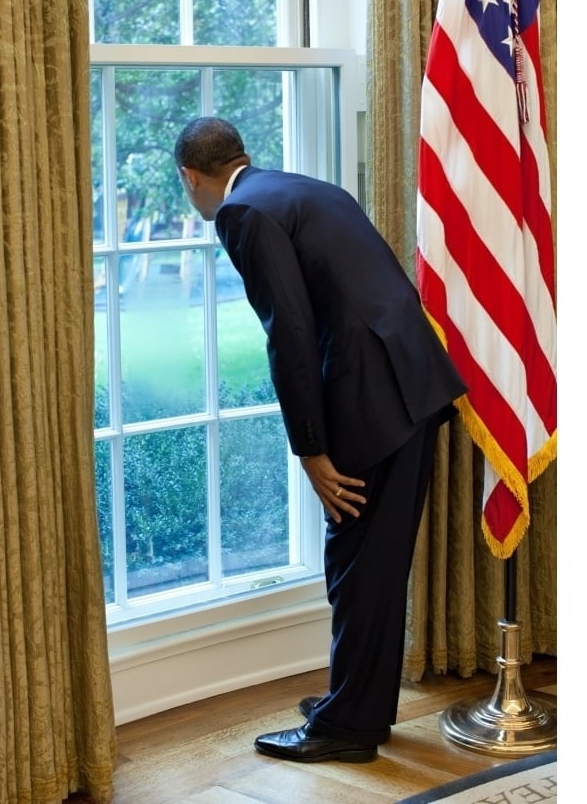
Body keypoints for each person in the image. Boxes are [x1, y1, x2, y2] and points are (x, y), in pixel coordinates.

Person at [174, 116, 467, 764]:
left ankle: (347, 729)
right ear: (243, 156)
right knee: (373, 561)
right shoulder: (298, 189)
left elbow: (293, 337)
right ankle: (356, 704)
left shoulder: (242, 214)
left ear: (191, 177)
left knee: (360, 563)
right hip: (411, 383)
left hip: (372, 400)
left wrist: (310, 450)